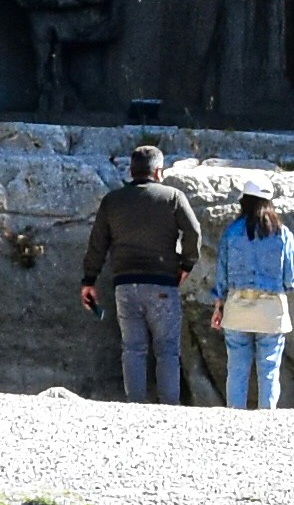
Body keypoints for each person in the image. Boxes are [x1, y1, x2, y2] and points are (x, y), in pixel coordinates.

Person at [82, 134, 203, 401]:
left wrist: (89, 280)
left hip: (125, 283)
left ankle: (135, 406)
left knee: (133, 349)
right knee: (167, 350)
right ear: (158, 171)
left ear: (130, 170)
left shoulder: (113, 200)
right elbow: (193, 232)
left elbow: (97, 244)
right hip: (162, 283)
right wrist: (186, 264)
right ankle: (169, 406)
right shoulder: (172, 197)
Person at [214, 182, 294, 407]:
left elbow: (221, 274)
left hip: (237, 306)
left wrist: (218, 306)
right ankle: (267, 418)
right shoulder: (283, 233)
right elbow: (291, 277)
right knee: (269, 369)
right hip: (271, 310)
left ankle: (235, 416)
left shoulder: (232, 232)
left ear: (244, 201)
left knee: (237, 369)